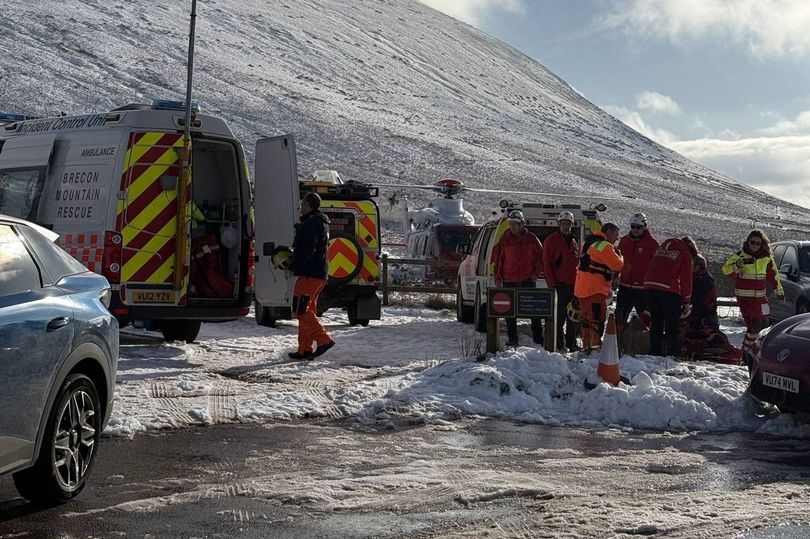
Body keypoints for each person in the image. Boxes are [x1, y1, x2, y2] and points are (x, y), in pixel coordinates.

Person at [289, 192, 335, 360]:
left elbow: (308, 249)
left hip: (310, 274)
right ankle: (305, 349)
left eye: (302, 204)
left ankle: (323, 340)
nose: (300, 207)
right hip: (319, 273)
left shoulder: (311, 223)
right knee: (308, 310)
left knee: (300, 309)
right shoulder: (321, 222)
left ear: (308, 205)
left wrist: (295, 266)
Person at [722, 229, 784, 354]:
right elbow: (726, 270)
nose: (755, 245)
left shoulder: (766, 258)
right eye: (752, 242)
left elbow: (773, 275)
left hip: (761, 299)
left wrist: (779, 292)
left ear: (763, 245)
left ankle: (758, 353)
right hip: (745, 298)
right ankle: (746, 354)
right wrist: (737, 266)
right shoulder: (739, 255)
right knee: (754, 327)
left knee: (765, 326)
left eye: (758, 243)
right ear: (748, 242)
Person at [494, 209, 544, 347]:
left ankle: (539, 340)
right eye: (511, 224)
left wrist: (535, 274)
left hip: (527, 280)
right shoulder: (504, 238)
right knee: (509, 313)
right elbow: (498, 259)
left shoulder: (531, 239)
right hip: (509, 280)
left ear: (522, 224)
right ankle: (513, 340)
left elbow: (541, 257)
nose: (513, 226)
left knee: (534, 311)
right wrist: (498, 277)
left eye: (515, 224)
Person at [643, 236, 697, 357]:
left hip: (650, 286)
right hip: (668, 289)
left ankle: (655, 352)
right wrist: (686, 301)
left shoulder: (662, 248)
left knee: (656, 322)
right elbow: (686, 279)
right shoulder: (686, 254)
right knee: (671, 324)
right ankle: (671, 353)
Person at [574, 222, 624, 350]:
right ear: (609, 232)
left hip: (582, 290)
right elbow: (617, 265)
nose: (617, 238)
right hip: (594, 290)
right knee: (596, 320)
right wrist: (621, 255)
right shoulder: (605, 245)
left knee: (586, 321)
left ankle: (587, 346)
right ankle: (595, 348)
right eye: (616, 235)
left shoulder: (591, 243)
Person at [543, 211, 580, 351]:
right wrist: (551, 284)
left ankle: (571, 343)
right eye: (564, 223)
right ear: (559, 224)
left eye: (568, 224)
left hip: (573, 285)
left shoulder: (573, 240)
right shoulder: (551, 241)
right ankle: (558, 344)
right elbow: (546, 263)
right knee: (559, 317)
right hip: (559, 285)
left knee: (573, 316)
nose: (566, 226)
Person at [616, 212, 658, 327]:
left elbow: (657, 266)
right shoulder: (624, 241)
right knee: (619, 318)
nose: (635, 229)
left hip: (643, 289)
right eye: (633, 226)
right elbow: (617, 261)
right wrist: (615, 277)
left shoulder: (652, 244)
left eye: (638, 227)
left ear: (644, 227)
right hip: (625, 286)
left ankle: (644, 343)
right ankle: (619, 341)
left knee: (645, 321)